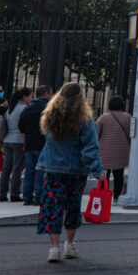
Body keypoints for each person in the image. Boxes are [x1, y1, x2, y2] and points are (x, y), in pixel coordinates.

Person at [35, 81, 102, 263]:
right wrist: (97, 170)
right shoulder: (86, 121)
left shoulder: (50, 117)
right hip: (76, 170)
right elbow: (90, 149)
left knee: (52, 207)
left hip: (53, 169)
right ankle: (69, 244)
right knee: (73, 207)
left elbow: (48, 145)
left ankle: (54, 248)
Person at [18, 86, 52, 206]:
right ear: (46, 94)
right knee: (41, 171)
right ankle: (39, 197)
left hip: (29, 143)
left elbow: (21, 126)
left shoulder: (28, 108)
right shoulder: (49, 108)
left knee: (29, 171)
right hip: (43, 143)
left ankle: (27, 197)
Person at [0, 88, 32, 201]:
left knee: (6, 167)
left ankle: (2, 193)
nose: (31, 99)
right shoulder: (24, 108)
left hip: (8, 139)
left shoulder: (10, 108)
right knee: (17, 168)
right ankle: (14, 193)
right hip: (19, 140)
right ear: (24, 97)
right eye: (30, 96)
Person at [95, 96, 132, 196]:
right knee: (119, 174)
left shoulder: (103, 118)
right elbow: (132, 134)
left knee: (104, 174)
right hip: (121, 151)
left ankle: (103, 194)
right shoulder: (128, 117)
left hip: (105, 151)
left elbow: (95, 133)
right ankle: (116, 196)